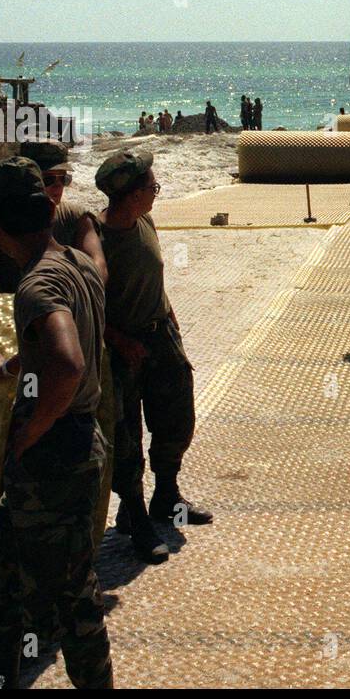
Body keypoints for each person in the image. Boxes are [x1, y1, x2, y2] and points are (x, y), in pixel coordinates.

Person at [0, 157, 114, 690]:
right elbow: (49, 350)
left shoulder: (35, 285)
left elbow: (68, 362)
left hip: (55, 453)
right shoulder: (77, 262)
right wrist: (6, 366)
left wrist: (32, 429)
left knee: (70, 597)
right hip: (75, 444)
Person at [95, 148, 211, 564]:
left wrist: (171, 326)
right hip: (121, 347)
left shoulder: (145, 221)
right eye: (150, 187)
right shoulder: (97, 239)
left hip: (161, 336)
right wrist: (120, 341)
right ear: (128, 195)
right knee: (125, 435)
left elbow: (154, 280)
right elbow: (89, 305)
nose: (155, 192)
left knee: (176, 416)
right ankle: (135, 516)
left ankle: (167, 494)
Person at [0, 138, 107, 294]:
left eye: (63, 179)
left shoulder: (77, 217)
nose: (58, 186)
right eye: (48, 179)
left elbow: (98, 271)